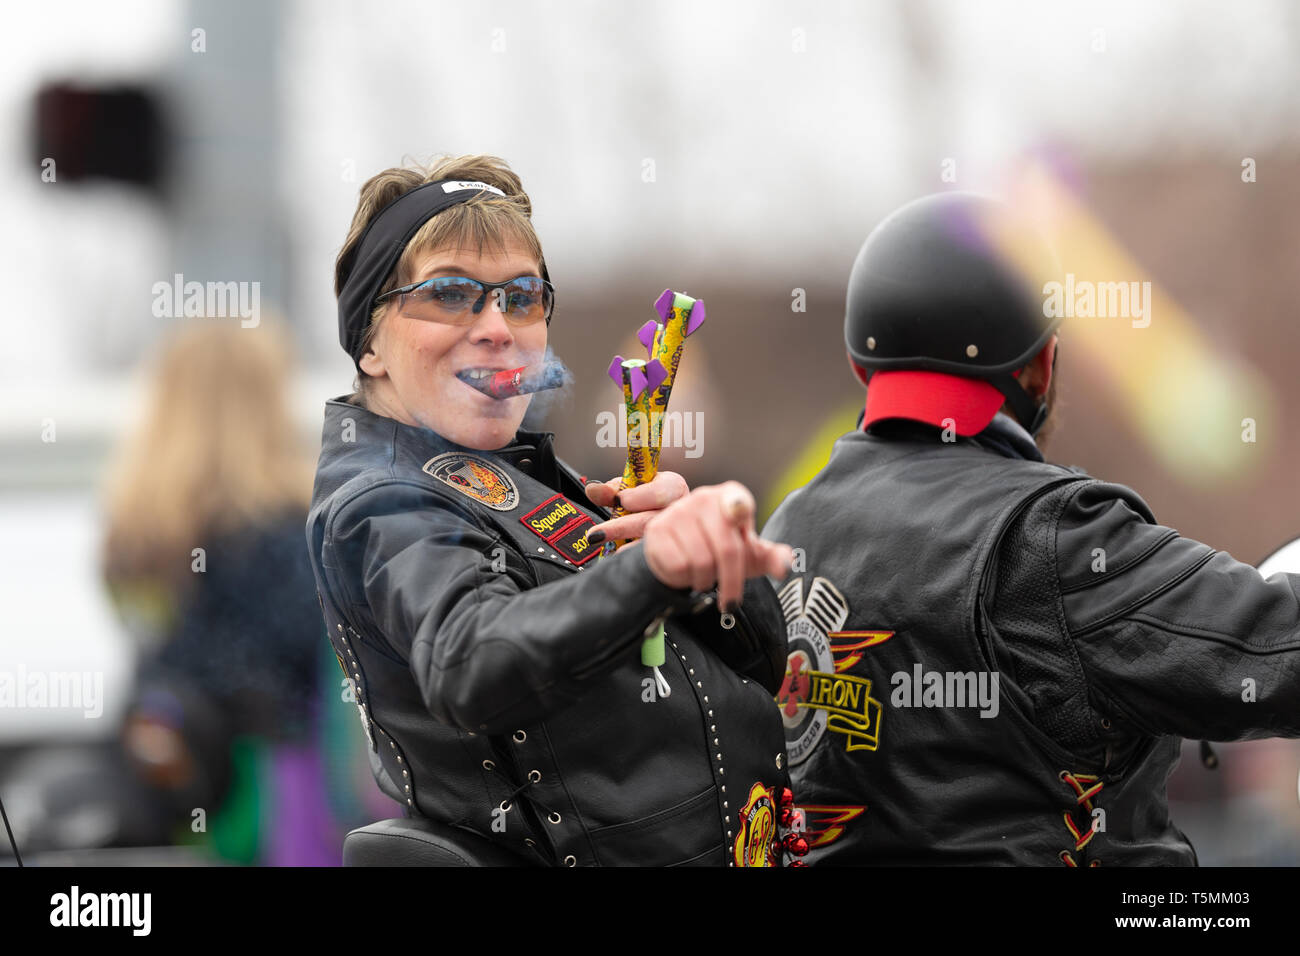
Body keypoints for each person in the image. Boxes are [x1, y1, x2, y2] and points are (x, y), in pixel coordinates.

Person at [761, 191, 1300, 866]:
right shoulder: (1054, 538)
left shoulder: (781, 534)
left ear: (859, 366)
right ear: (1041, 364)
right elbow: (1278, 651)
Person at [306, 154, 798, 867]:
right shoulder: (383, 498)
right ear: (372, 343)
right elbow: (471, 661)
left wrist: (700, 564)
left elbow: (765, 662)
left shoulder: (518, 472)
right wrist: (649, 573)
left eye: (523, 297)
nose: (498, 327)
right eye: (450, 294)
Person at [101, 321, 349, 865]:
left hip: (178, 770)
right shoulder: (290, 525)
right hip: (279, 779)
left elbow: (155, 646)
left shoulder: (137, 531)